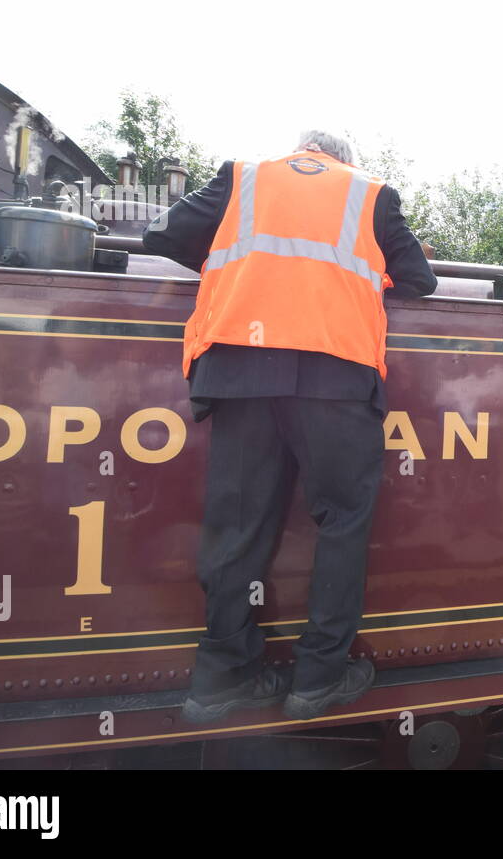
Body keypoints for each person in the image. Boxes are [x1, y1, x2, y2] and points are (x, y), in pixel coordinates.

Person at [141, 130, 437, 724]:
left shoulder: (243, 177)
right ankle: (319, 678)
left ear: (298, 150)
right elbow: (421, 279)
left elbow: (163, 236)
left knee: (236, 525)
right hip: (335, 374)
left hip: (238, 372)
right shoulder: (371, 195)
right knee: (341, 522)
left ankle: (222, 676)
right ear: (343, 160)